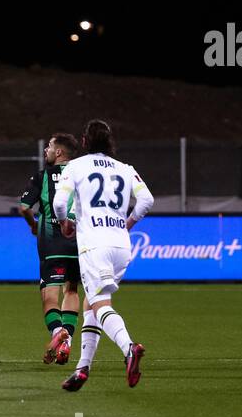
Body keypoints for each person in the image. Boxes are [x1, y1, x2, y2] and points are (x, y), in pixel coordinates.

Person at [52, 119, 153, 391]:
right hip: (121, 246)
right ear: (110, 142)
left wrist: (64, 221)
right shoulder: (125, 168)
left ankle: (129, 348)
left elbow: (59, 202)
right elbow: (147, 200)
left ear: (84, 142)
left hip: (94, 245)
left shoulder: (75, 166)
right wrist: (129, 221)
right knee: (91, 306)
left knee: (100, 305)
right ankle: (82, 369)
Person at [20, 133, 83, 365]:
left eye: (49, 146)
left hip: (52, 242)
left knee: (49, 295)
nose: (46, 149)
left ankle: (58, 333)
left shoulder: (42, 176)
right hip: (79, 243)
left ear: (58, 152)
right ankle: (68, 341)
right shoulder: (82, 175)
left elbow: (25, 207)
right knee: (73, 291)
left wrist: (34, 225)